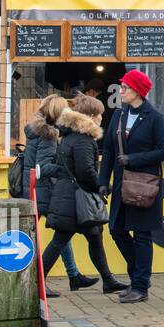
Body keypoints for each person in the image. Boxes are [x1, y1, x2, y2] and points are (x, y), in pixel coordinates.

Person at [38, 95, 129, 294]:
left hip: (70, 196)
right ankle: (38, 283)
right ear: (90, 116)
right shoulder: (83, 140)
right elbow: (85, 171)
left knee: (94, 237)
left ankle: (108, 280)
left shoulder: (69, 136)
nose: (101, 119)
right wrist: (103, 185)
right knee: (60, 240)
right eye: (99, 115)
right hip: (76, 199)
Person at [101, 69, 164, 303]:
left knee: (142, 235)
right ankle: (139, 274)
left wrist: (134, 159)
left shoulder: (155, 117)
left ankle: (140, 286)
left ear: (138, 92)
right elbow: (109, 150)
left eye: (125, 88)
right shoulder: (119, 116)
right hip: (122, 185)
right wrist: (103, 181)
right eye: (122, 87)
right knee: (116, 230)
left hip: (144, 185)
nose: (121, 91)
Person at [24, 94, 96, 294]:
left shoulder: (35, 131)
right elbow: (44, 166)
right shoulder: (48, 136)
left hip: (34, 188)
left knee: (62, 234)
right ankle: (41, 281)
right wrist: (64, 169)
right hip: (44, 190)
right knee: (61, 235)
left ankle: (73, 275)